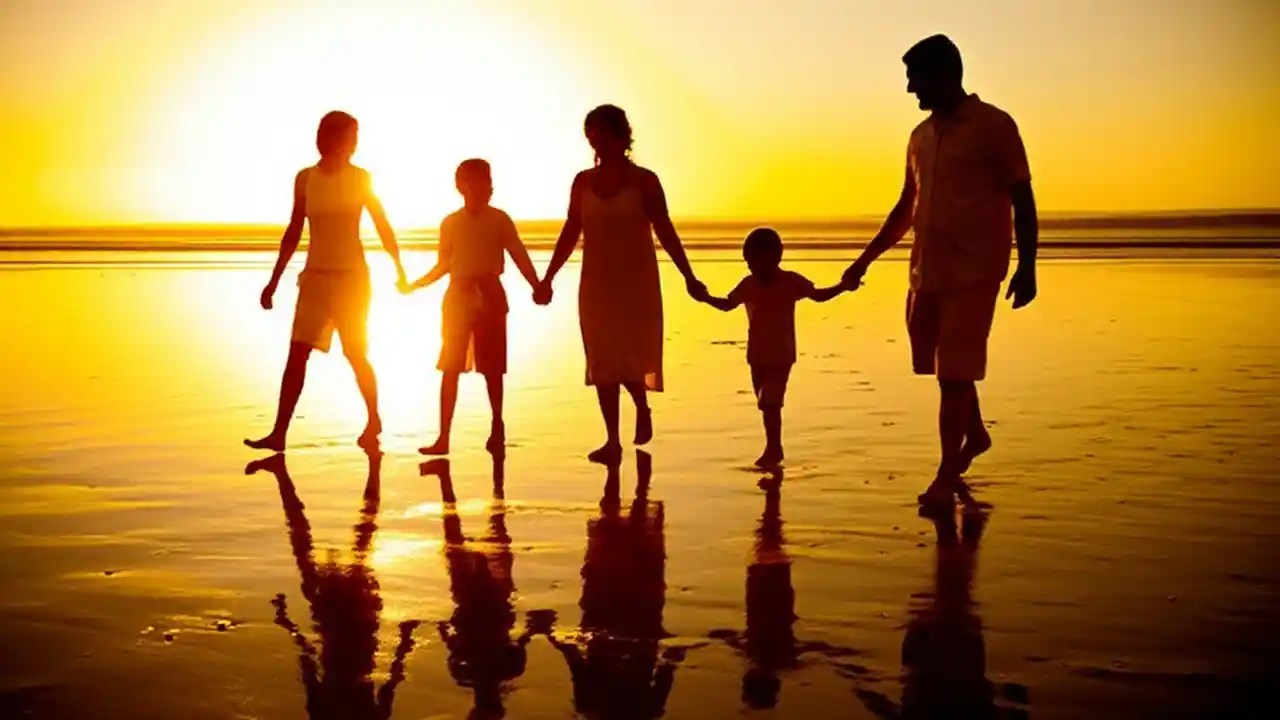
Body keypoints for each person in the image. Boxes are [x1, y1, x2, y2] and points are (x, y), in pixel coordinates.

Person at [842, 35, 1039, 508]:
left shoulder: (994, 126)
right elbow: (905, 208)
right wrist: (863, 261)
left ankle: (946, 476)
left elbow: (1023, 198)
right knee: (944, 368)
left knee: (953, 375)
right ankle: (976, 436)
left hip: (975, 271)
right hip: (925, 272)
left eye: (916, 78)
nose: (911, 88)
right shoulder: (919, 137)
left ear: (945, 74)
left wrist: (1028, 266)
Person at [536, 105, 707, 464]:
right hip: (596, 283)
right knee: (601, 361)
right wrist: (548, 278)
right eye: (590, 134)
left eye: (601, 132)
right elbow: (570, 231)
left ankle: (641, 406)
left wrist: (689, 277)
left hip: (636, 283)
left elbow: (665, 230)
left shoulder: (645, 181)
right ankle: (611, 440)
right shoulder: (582, 182)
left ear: (620, 135)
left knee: (629, 358)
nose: (595, 140)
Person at [246, 111, 407, 452]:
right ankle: (278, 433)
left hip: (352, 279)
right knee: (297, 354)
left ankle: (373, 418)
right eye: (351, 135)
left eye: (355, 135)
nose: (354, 142)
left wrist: (398, 267)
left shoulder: (361, 178)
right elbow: (293, 231)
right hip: (316, 278)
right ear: (331, 138)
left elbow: (382, 223)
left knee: (355, 352)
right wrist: (273, 281)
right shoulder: (305, 179)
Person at [401, 159, 539, 456]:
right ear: (460, 186)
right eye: (472, 182)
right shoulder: (450, 222)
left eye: (484, 182)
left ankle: (497, 425)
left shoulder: (500, 219)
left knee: (492, 369)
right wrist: (416, 284)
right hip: (458, 295)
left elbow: (518, 254)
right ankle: (443, 436)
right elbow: (443, 264)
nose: (480, 188)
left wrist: (537, 284)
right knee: (450, 365)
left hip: (490, 293)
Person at [697, 228, 851, 467]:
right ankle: (773, 446)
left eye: (758, 262)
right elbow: (727, 304)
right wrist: (704, 297)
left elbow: (819, 296)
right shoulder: (748, 285)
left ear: (776, 257)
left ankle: (774, 448)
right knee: (765, 403)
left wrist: (843, 286)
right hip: (757, 354)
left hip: (781, 353)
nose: (754, 268)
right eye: (750, 264)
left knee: (771, 401)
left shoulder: (791, 281)